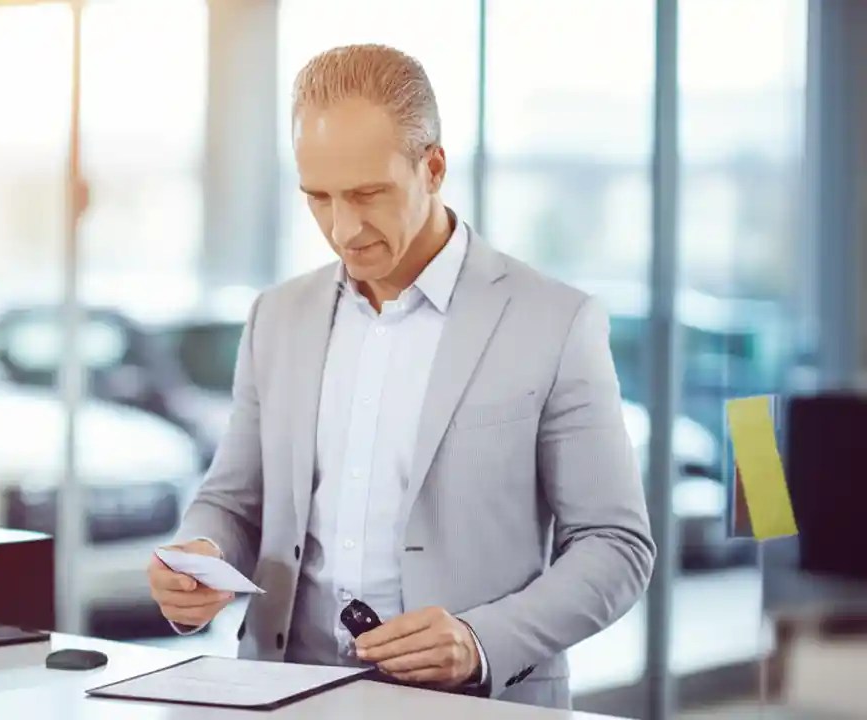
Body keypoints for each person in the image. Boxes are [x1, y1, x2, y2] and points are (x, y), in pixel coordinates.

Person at [147, 43, 654, 709]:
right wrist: (199, 558)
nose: (343, 229)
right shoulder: (278, 317)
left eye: (366, 194)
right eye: (319, 198)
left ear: (433, 166)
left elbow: (616, 546)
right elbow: (234, 501)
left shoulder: (554, 322)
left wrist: (478, 640)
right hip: (284, 695)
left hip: (475, 705)